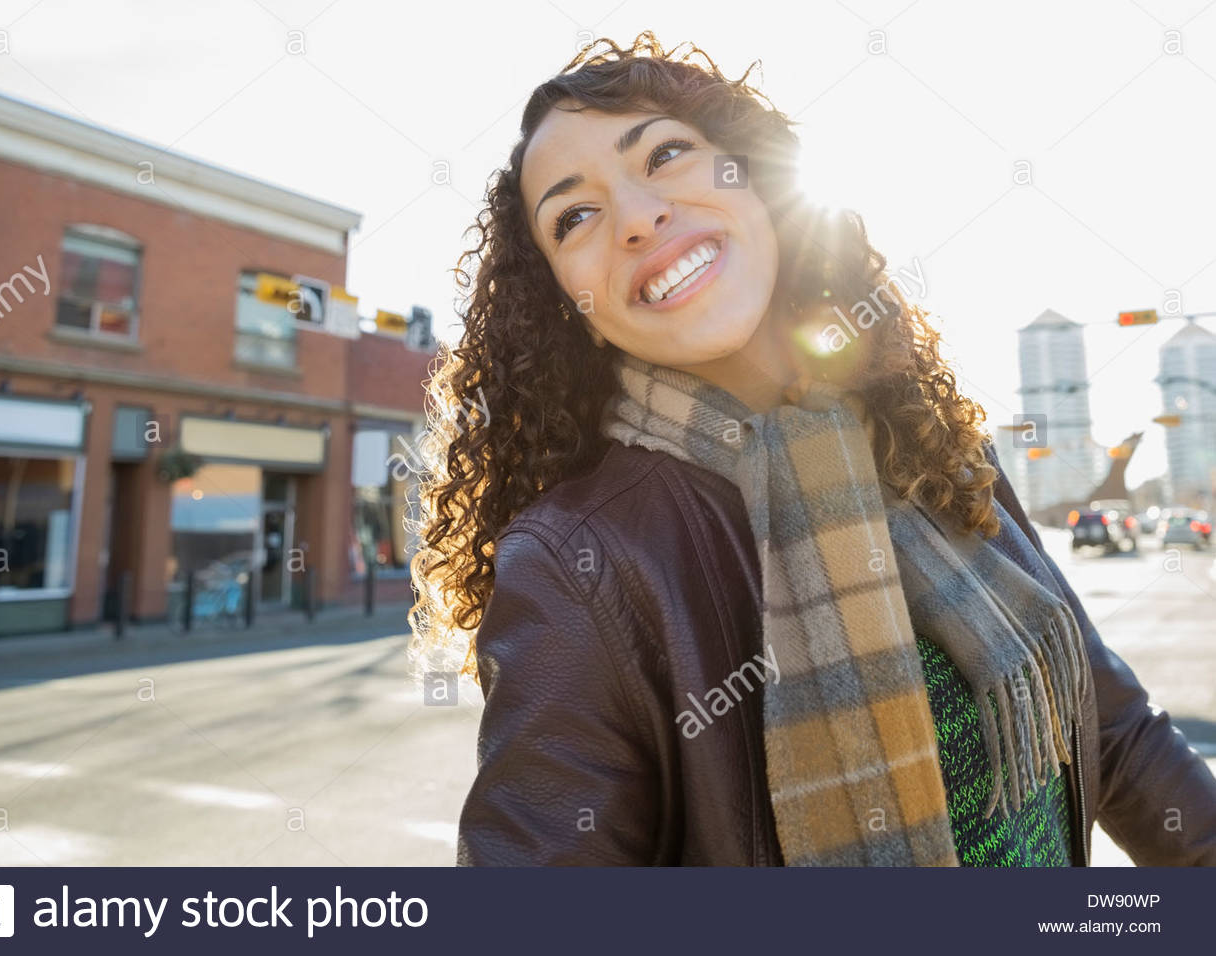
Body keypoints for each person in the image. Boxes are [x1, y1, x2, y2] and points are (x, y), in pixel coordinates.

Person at [405, 32, 1216, 866]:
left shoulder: (934, 443)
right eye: (575, 216)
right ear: (568, 303)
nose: (639, 218)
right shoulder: (577, 564)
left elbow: (1115, 736)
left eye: (667, 154)